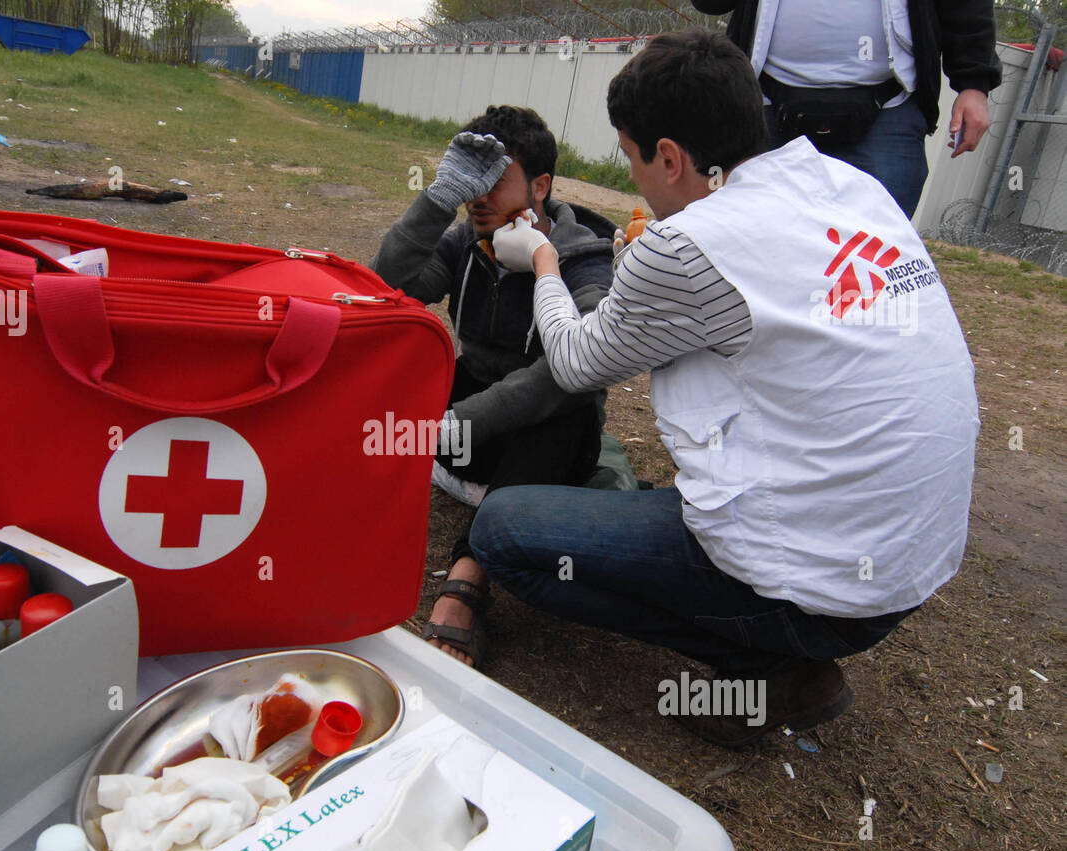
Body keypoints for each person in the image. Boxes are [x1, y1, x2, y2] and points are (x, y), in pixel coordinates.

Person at [479, 29, 979, 747]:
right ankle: (781, 644)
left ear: (672, 158)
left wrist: (548, 262)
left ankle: (763, 669)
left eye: (632, 159)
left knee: (505, 533)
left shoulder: (686, 244)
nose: (635, 181)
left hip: (826, 588)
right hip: (909, 562)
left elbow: (575, 361)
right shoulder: (851, 186)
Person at [371, 105, 616, 669]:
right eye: (471, 180)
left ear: (541, 185)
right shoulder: (469, 241)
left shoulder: (585, 260)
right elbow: (388, 285)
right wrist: (436, 200)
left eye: (495, 179)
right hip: (472, 422)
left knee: (566, 407)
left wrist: (456, 424)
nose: (478, 196)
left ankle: (468, 577)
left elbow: (571, 372)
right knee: (400, 357)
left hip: (541, 436)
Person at [691, 0, 1003, 216]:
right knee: (750, 241)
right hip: (765, 103)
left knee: (873, 255)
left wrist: (974, 83)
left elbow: (967, 8)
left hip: (889, 108)